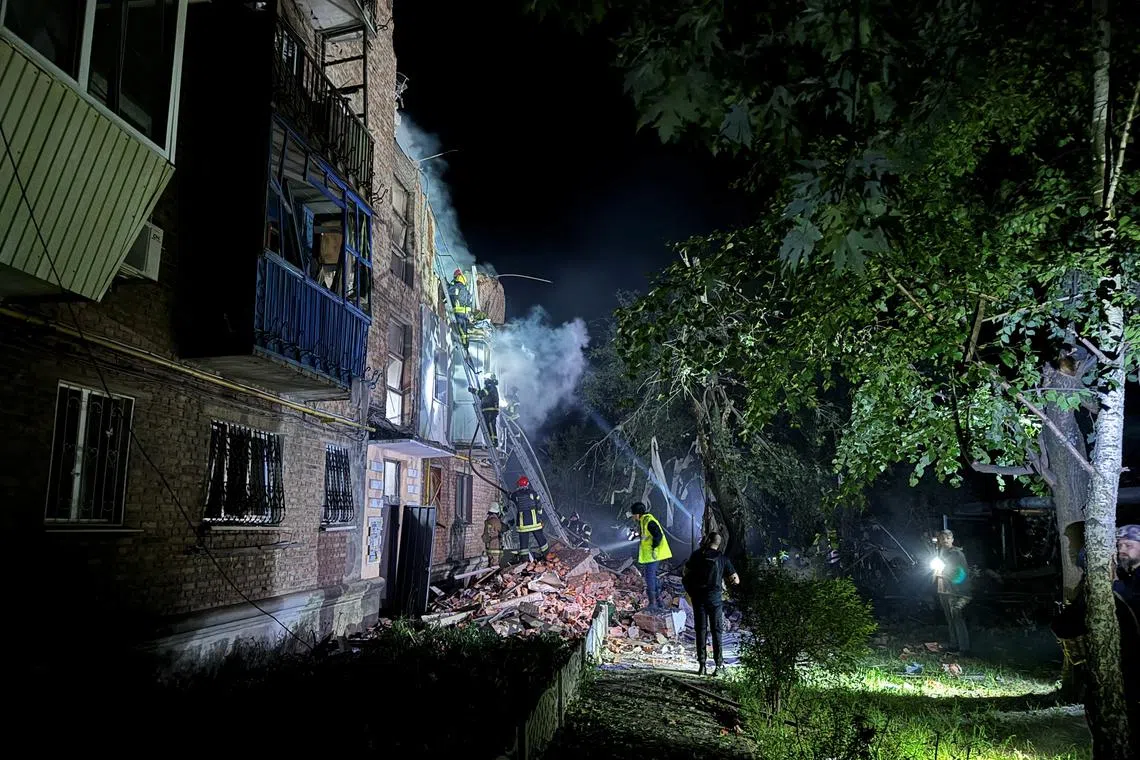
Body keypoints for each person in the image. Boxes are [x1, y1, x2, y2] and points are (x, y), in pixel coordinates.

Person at [1052, 525, 1140, 755]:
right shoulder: (1110, 579)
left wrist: (1114, 588)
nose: (1122, 550)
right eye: (1119, 545)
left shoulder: (1121, 583)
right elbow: (1067, 625)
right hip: (1111, 669)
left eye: (1129, 545)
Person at [683, 532, 739, 677]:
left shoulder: (696, 555)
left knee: (700, 631)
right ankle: (718, 665)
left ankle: (702, 666)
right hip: (715, 600)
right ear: (719, 543)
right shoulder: (722, 559)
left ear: (707, 540)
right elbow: (735, 579)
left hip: (698, 598)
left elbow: (686, 573)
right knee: (717, 631)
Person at [933, 529, 971, 653]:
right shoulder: (942, 552)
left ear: (952, 540)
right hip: (945, 590)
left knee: (957, 618)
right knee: (950, 619)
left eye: (948, 538)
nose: (945, 540)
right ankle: (954, 644)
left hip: (956, 592)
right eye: (943, 538)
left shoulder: (956, 554)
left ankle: (964, 648)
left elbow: (960, 572)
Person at [629, 502, 671, 611]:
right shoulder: (644, 521)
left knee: (650, 577)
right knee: (650, 577)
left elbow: (658, 535)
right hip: (651, 556)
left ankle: (653, 604)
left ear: (638, 514)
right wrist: (637, 535)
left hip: (654, 555)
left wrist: (654, 548)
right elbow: (647, 535)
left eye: (633, 514)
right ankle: (659, 602)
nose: (633, 517)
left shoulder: (648, 521)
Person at [510, 475, 548, 560]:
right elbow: (539, 506)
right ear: (527, 484)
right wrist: (540, 516)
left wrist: (509, 494)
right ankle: (547, 555)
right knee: (541, 540)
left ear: (519, 485)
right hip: (535, 523)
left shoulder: (515, 495)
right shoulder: (533, 493)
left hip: (523, 525)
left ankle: (525, 561)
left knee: (524, 545)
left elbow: (510, 498)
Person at [469, 376, 500, 447]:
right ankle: (491, 442)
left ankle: (494, 442)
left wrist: (472, 390)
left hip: (490, 410)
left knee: (491, 426)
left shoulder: (490, 386)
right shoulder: (491, 387)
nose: (484, 380)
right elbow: (482, 396)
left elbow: (482, 393)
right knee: (489, 427)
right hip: (488, 410)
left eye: (486, 379)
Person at [448, 268, 473, 347]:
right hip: (465, 314)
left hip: (458, 313)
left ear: (456, 277)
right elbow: (469, 302)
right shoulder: (465, 289)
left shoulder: (456, 287)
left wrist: (447, 285)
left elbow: (449, 293)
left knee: (459, 328)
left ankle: (460, 343)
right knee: (464, 330)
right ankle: (466, 344)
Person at [483, 502, 505, 567]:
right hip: (494, 542)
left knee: (492, 559)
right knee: (495, 560)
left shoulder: (489, 519)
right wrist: (508, 525)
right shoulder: (494, 520)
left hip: (490, 541)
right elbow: (501, 528)